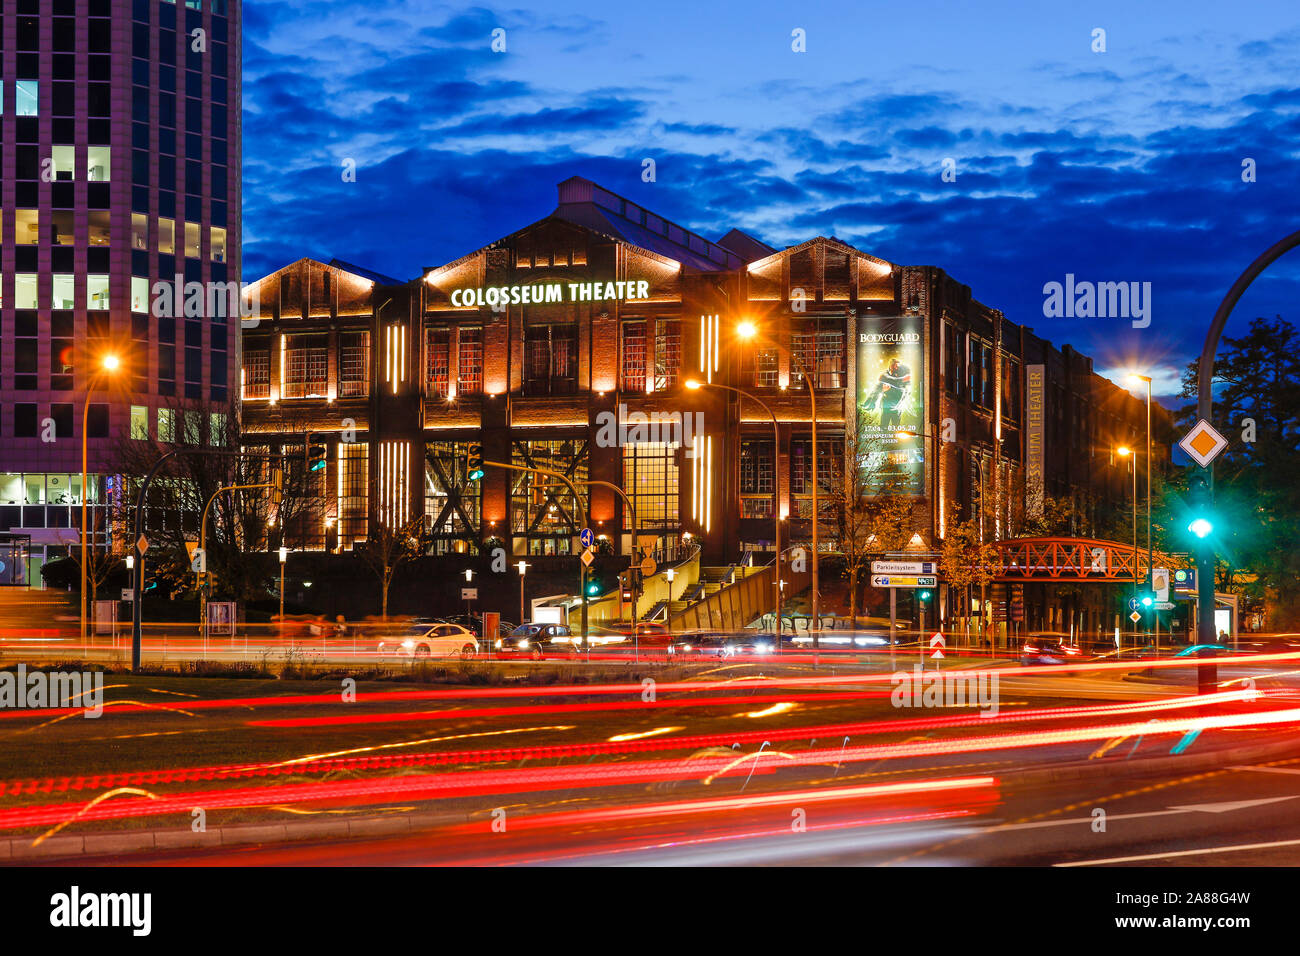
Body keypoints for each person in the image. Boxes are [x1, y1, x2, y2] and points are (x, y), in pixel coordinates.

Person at [864, 357, 911, 431]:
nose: (896, 367)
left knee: (896, 428)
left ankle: (896, 440)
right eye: (894, 365)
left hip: (897, 406)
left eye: (897, 366)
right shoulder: (885, 375)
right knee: (884, 426)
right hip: (886, 405)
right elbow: (877, 390)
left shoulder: (900, 374)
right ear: (890, 365)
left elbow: (907, 389)